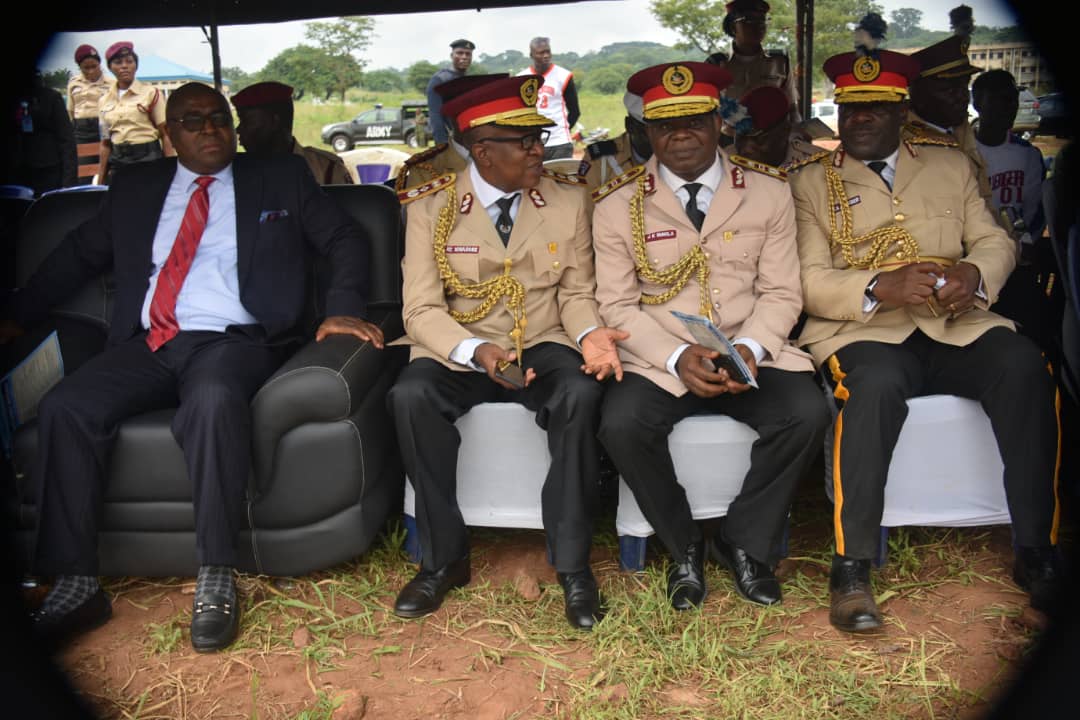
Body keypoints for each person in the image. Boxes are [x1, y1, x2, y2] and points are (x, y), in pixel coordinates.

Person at [1, 82, 384, 653]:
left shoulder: (279, 177)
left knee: (212, 401)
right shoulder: (137, 186)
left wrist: (343, 309)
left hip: (236, 339)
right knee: (66, 407)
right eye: (193, 121)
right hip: (150, 341)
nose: (211, 130)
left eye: (219, 119)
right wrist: (16, 314)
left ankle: (215, 573)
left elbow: (344, 237)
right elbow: (80, 253)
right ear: (168, 135)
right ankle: (77, 581)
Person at [789, 46, 1062, 633]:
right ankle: (852, 566)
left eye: (874, 109)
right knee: (875, 386)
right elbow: (806, 280)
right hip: (864, 330)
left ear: (901, 110)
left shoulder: (949, 164)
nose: (858, 119)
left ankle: (1037, 550)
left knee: (1022, 365)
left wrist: (975, 275)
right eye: (849, 108)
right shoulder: (810, 183)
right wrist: (877, 286)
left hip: (954, 323)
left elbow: (996, 239)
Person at [387, 75, 625, 631]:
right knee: (411, 395)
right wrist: (478, 351)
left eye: (539, 137)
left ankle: (572, 565)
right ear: (483, 149)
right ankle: (443, 560)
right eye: (524, 141)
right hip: (461, 345)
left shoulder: (567, 201)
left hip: (544, 338)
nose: (539, 149)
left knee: (578, 394)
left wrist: (590, 334)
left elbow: (576, 292)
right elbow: (419, 310)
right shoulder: (431, 207)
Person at [592, 62, 828, 611]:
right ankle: (683, 548)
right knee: (621, 424)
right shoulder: (614, 204)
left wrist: (749, 348)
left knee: (805, 415)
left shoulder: (768, 192)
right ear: (648, 132)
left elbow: (782, 292)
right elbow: (616, 302)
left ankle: (742, 542)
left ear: (718, 122)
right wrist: (676, 357)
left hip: (751, 344)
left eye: (695, 120)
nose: (682, 135)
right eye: (666, 124)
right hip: (660, 355)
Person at [906, 6, 997, 214]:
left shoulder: (960, 128)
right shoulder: (897, 140)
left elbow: (982, 197)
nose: (963, 95)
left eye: (964, 85)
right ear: (918, 91)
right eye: (949, 88)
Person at [707, 0, 800, 144]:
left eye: (762, 20)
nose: (759, 26)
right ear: (733, 27)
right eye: (749, 20)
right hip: (729, 140)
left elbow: (792, 108)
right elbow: (707, 111)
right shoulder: (717, 64)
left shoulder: (780, 61)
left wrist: (796, 133)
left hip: (771, 141)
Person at [395, 73, 507, 191]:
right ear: (451, 116)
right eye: (474, 116)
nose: (485, 122)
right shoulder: (426, 170)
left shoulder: (511, 157)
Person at [230, 80, 352, 185]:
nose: (238, 129)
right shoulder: (234, 172)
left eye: (246, 120)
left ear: (274, 121)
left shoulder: (328, 169)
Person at [97, 41, 173, 183]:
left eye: (129, 61)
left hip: (149, 160)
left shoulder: (151, 94)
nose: (124, 66)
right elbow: (105, 142)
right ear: (110, 67)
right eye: (118, 62)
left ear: (135, 65)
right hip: (118, 162)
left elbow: (166, 134)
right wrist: (101, 179)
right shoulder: (104, 101)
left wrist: (170, 170)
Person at [4, 70, 76, 195]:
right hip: (15, 170)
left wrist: (68, 182)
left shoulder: (51, 97)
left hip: (48, 169)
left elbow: (66, 139)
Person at [731, 85, 827, 173]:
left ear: (785, 131)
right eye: (740, 137)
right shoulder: (724, 161)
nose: (746, 149)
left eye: (759, 139)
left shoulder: (817, 166)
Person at [517, 37, 580, 160]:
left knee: (561, 179)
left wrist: (563, 130)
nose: (546, 56)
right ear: (531, 55)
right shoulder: (521, 78)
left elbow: (575, 111)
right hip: (532, 143)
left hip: (560, 143)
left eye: (548, 51)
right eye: (541, 53)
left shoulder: (563, 76)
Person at [578, 90, 651, 193]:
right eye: (648, 132)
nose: (658, 138)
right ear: (629, 126)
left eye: (664, 129)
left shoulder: (675, 155)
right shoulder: (602, 160)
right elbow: (585, 204)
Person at [67, 44, 109, 184]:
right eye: (86, 67)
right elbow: (70, 110)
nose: (91, 71)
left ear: (99, 64)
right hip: (81, 131)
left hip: (104, 129)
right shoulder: (73, 83)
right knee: (83, 171)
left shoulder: (111, 83)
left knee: (106, 169)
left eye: (94, 66)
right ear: (80, 67)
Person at [425, 39, 475, 145]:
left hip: (470, 139)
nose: (464, 57)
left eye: (468, 54)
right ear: (452, 55)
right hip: (452, 141)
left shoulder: (470, 80)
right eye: (460, 53)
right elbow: (436, 117)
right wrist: (442, 146)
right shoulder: (440, 80)